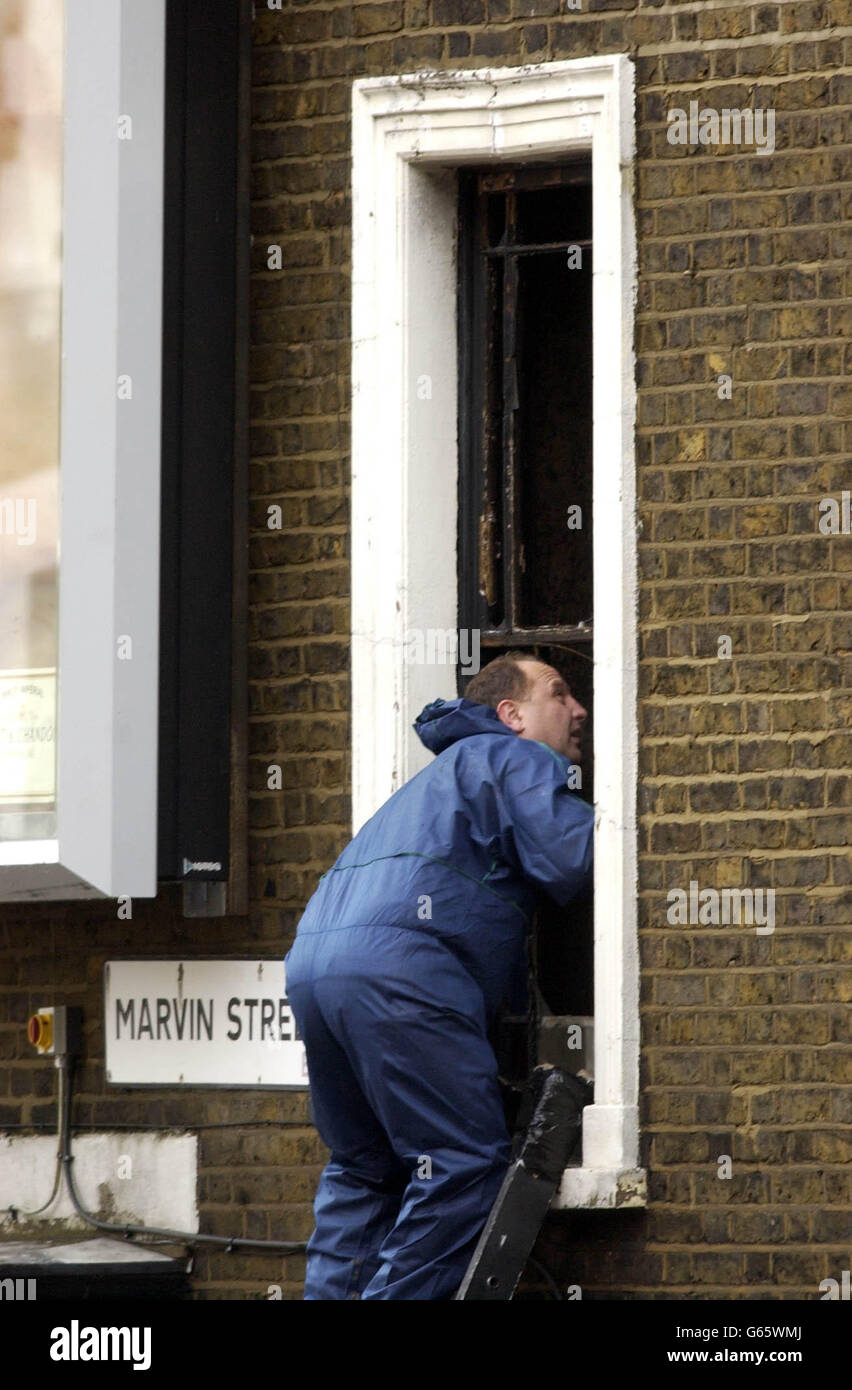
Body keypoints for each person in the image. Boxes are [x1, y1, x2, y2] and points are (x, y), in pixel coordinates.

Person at [284, 651, 594, 1300]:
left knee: (364, 1170)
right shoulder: (517, 758)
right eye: (560, 694)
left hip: (315, 967)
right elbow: (575, 860)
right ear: (510, 715)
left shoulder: (432, 783)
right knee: (459, 1164)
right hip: (402, 971)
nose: (579, 711)